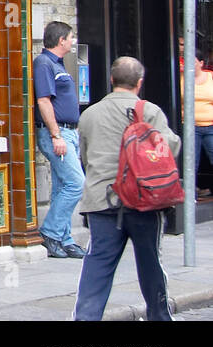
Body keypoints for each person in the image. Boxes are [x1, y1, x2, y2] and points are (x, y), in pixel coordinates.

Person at [72, 56, 179, 321]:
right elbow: (170, 149)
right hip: (144, 201)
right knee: (151, 265)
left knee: (97, 267)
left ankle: (86, 318)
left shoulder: (90, 114)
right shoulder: (150, 111)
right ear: (139, 83)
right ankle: (159, 317)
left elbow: (85, 157)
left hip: (101, 201)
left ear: (112, 79)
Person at [33, 21, 86, 259]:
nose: (73, 42)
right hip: (57, 133)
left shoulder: (57, 63)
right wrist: (56, 135)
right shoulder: (44, 63)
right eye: (71, 38)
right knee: (76, 183)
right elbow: (43, 101)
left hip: (69, 133)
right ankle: (51, 232)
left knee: (63, 187)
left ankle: (64, 240)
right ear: (61, 40)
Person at [181, 38, 213, 195]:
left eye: (193, 61)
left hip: (211, 125)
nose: (189, 64)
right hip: (189, 126)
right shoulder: (181, 79)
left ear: (201, 63)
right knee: (191, 161)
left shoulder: (211, 78)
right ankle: (190, 194)